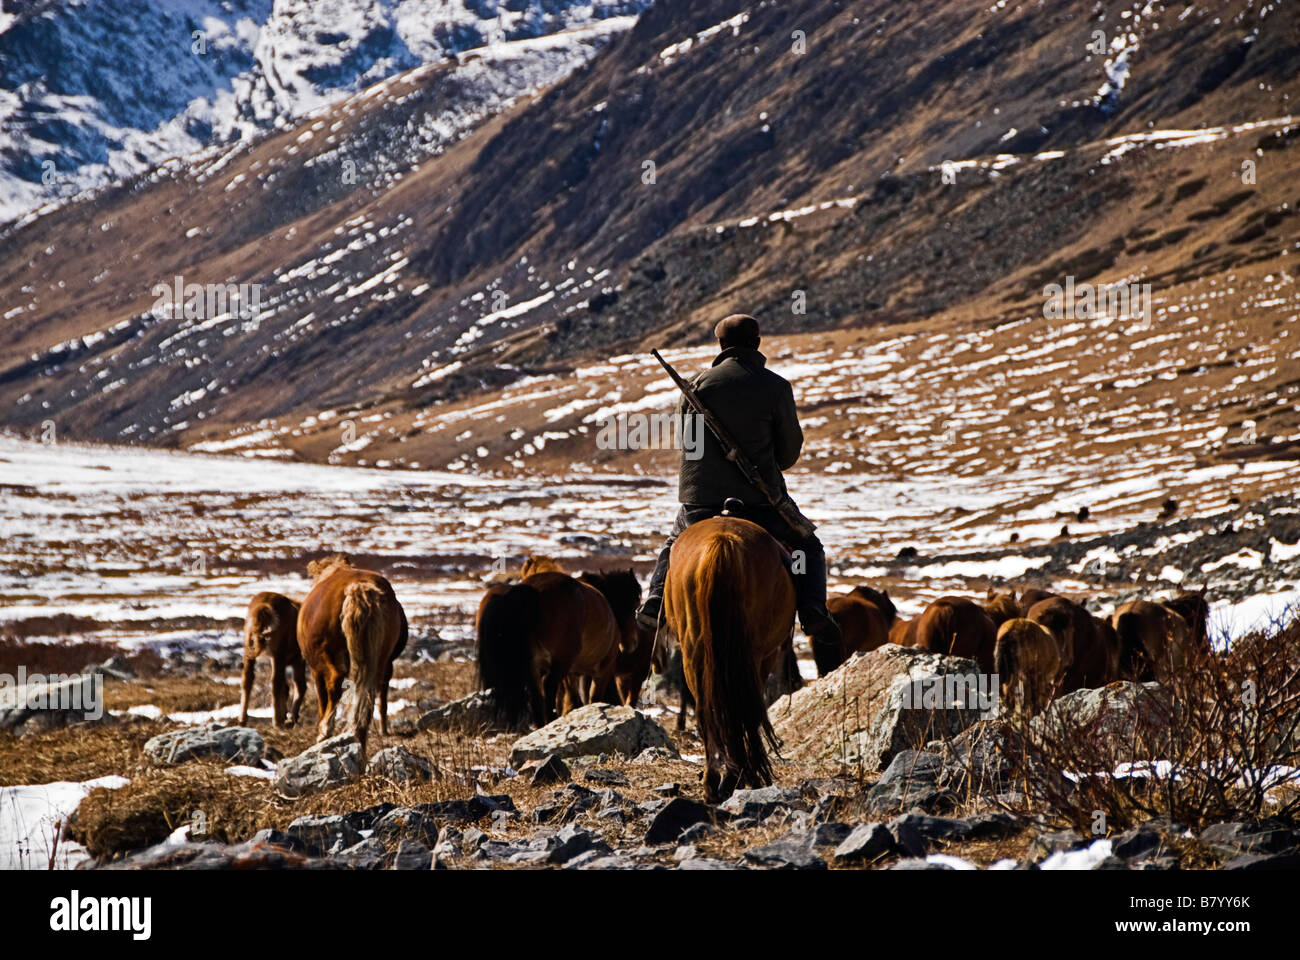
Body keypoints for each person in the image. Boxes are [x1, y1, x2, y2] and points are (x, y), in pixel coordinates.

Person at [637, 313, 843, 671]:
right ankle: (813, 612)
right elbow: (789, 455)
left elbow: (691, 449)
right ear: (757, 343)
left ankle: (655, 603)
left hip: (701, 504)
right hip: (760, 503)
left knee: (674, 545)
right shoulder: (775, 387)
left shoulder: (695, 387)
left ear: (720, 346)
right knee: (809, 546)